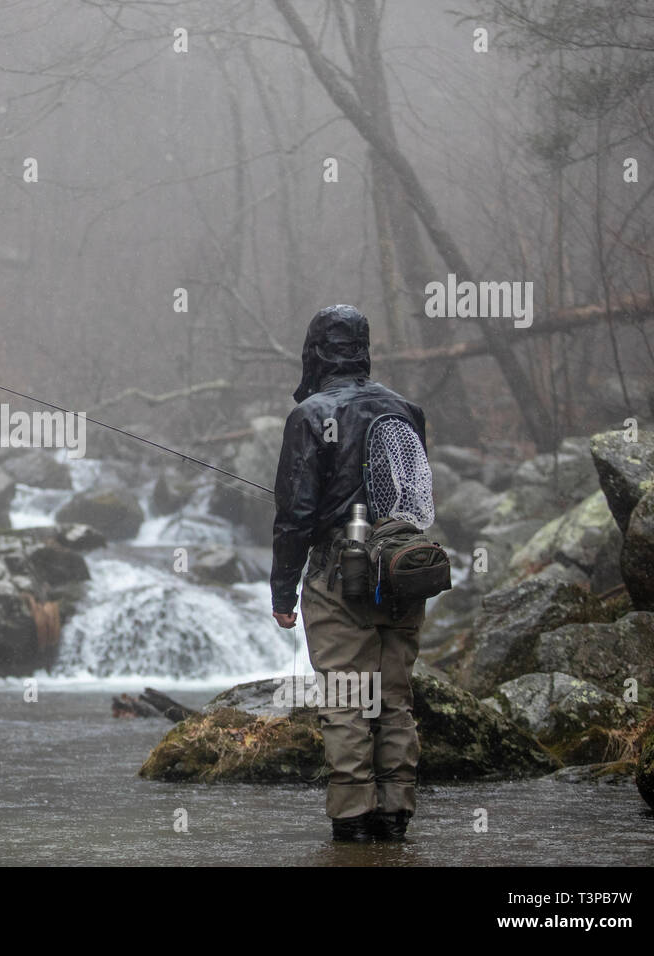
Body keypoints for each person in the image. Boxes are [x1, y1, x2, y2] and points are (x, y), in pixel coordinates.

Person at [269, 304, 431, 843]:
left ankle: (354, 826)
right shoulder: (407, 409)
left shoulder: (310, 416)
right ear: (364, 348)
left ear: (314, 350)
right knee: (394, 699)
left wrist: (282, 592)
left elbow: (294, 516)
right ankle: (395, 817)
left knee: (346, 698)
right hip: (405, 570)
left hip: (339, 574)